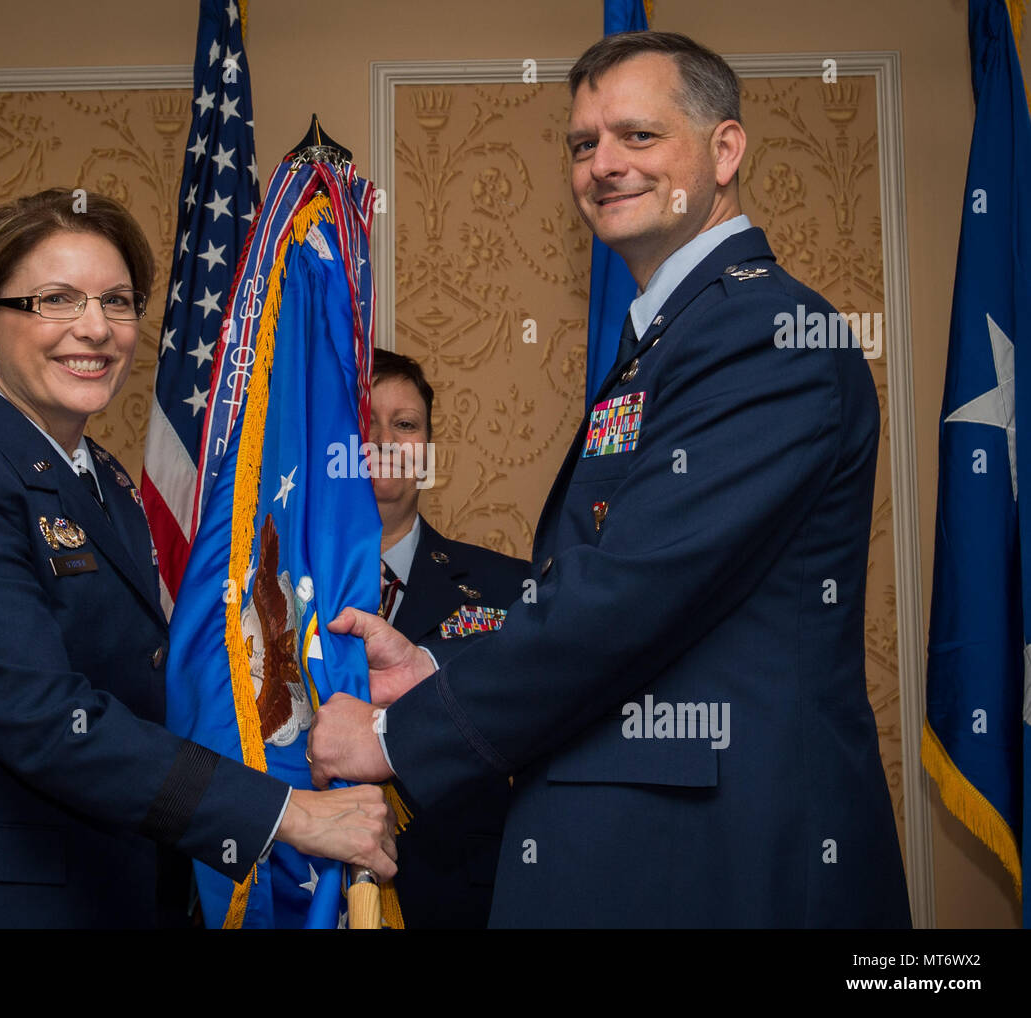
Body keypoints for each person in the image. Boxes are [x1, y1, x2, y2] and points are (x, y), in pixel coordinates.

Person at [309, 32, 911, 928]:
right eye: (584, 144)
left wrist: (397, 736)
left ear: (725, 149)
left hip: (720, 857)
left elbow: (632, 593)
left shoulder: (761, 333)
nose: (604, 165)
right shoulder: (681, 331)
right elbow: (627, 583)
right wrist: (437, 662)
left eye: (638, 136)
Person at [0, 189, 395, 929]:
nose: (95, 328)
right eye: (57, 301)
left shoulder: (104, 483)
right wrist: (288, 814)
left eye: (117, 301)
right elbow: (45, 719)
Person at [369, 348, 529, 928]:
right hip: (300, 889)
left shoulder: (510, 587)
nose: (384, 440)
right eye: (364, 423)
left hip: (458, 898)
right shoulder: (273, 587)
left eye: (404, 425)